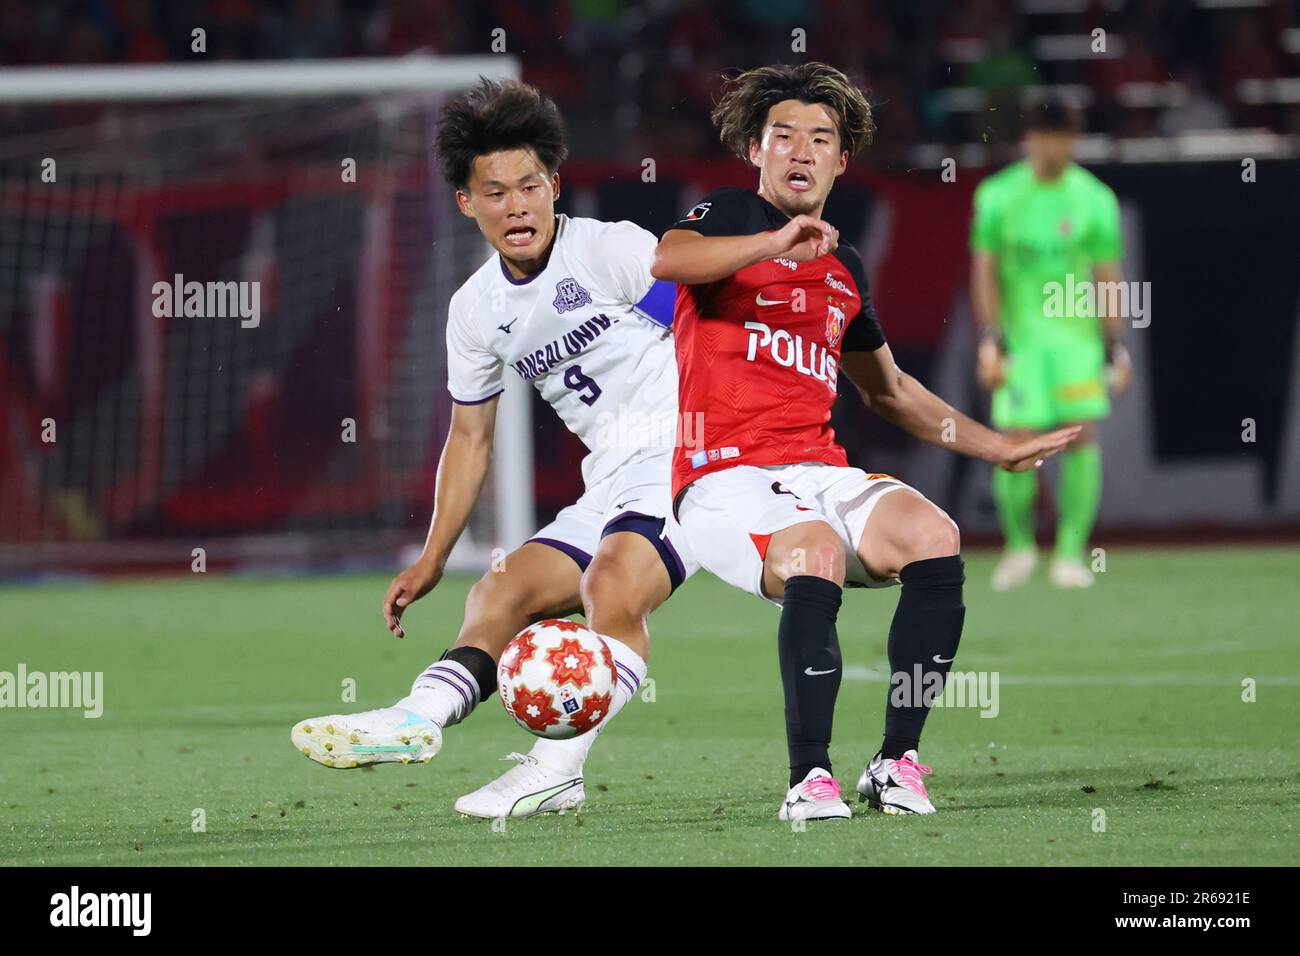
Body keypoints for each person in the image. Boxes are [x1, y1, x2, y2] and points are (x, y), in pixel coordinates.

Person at [652, 62, 1078, 819]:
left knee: (933, 535)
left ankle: (894, 762)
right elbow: (668, 261)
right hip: (720, 477)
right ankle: (807, 778)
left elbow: (889, 392)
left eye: (821, 139)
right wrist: (772, 242)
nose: (801, 151)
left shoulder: (844, 268)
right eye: (783, 136)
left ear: (841, 161)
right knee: (814, 546)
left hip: (815, 469)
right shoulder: (721, 217)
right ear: (756, 149)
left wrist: (999, 448)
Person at [291, 78, 695, 818]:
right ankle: (415, 718)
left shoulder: (609, 251)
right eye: (497, 191)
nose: (518, 205)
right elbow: (470, 439)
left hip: (690, 460)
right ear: (466, 204)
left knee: (613, 587)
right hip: (610, 479)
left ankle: (556, 768)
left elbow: (708, 323)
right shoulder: (475, 310)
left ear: (554, 187)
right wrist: (434, 554)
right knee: (500, 591)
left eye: (531, 186)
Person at [971, 98, 1131, 590]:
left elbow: (1107, 274)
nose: (1052, 146)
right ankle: (1019, 548)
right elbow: (985, 271)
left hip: (1078, 341)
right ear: (1029, 139)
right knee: (1017, 442)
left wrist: (1115, 346)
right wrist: (990, 340)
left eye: (1061, 137)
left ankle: (1069, 554)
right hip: (1022, 341)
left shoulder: (1095, 198)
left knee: (1081, 436)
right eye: (1043, 136)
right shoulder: (997, 195)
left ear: (1074, 141)